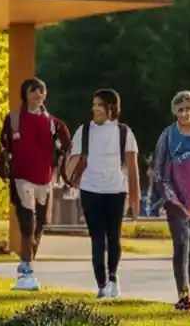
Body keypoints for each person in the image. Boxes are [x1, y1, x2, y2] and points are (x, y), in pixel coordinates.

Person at [0, 77, 72, 291]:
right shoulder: (13, 120)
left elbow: (68, 150)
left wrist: (66, 170)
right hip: (21, 179)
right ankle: (26, 271)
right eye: (34, 91)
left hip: (45, 181)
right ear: (25, 94)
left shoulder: (55, 124)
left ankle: (27, 263)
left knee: (40, 226)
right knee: (27, 224)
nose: (38, 95)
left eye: (42, 91)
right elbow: (3, 147)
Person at [67, 88, 140, 299]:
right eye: (94, 105)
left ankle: (113, 278)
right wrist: (70, 177)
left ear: (111, 108)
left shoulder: (124, 132)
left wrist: (134, 198)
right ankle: (101, 283)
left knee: (113, 236)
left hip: (116, 191)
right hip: (90, 190)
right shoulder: (84, 131)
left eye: (100, 105)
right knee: (97, 238)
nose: (95, 109)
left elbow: (132, 168)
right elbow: (72, 159)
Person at [149, 90, 190, 312]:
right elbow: (158, 167)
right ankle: (183, 293)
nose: (184, 114)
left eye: (188, 109)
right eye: (180, 110)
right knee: (181, 243)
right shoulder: (168, 135)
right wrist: (163, 197)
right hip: (174, 197)